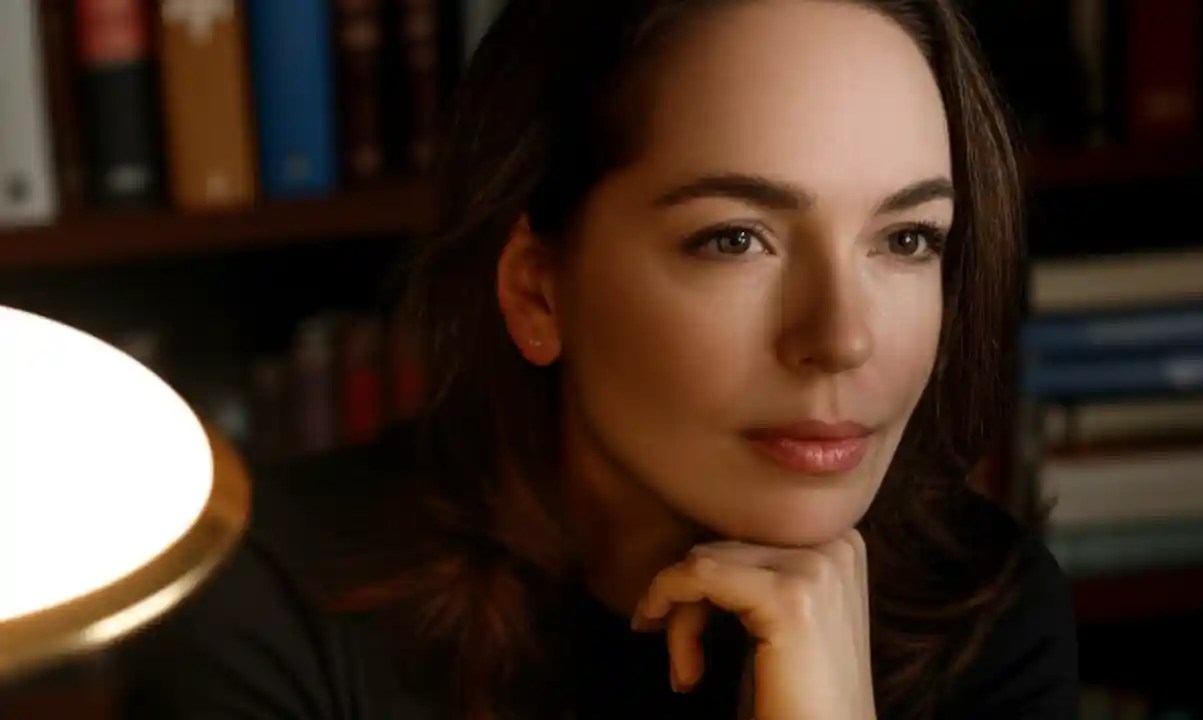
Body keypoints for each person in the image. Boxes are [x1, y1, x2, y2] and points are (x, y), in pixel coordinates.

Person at [117, 0, 1078, 718]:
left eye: (906, 240)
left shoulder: (991, 619)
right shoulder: (263, 611)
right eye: (736, 239)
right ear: (538, 290)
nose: (842, 336)